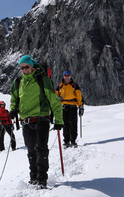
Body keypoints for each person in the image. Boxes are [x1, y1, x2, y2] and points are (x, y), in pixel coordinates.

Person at [10, 55, 63, 189]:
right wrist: (12, 110)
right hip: (26, 122)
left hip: (41, 119)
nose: (24, 70)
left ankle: (42, 178)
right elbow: (14, 99)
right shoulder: (18, 82)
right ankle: (33, 177)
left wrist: (59, 120)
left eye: (26, 67)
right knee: (31, 150)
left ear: (32, 66)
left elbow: (54, 100)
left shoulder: (42, 80)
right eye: (22, 68)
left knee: (41, 148)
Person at [55, 70, 84, 148]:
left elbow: (79, 96)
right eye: (65, 75)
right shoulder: (60, 86)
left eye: (68, 75)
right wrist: (58, 98)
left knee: (73, 124)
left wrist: (81, 106)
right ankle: (66, 141)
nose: (67, 77)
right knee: (65, 125)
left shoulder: (75, 85)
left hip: (72, 107)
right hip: (63, 107)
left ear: (70, 76)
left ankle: (73, 141)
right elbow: (55, 96)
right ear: (63, 76)